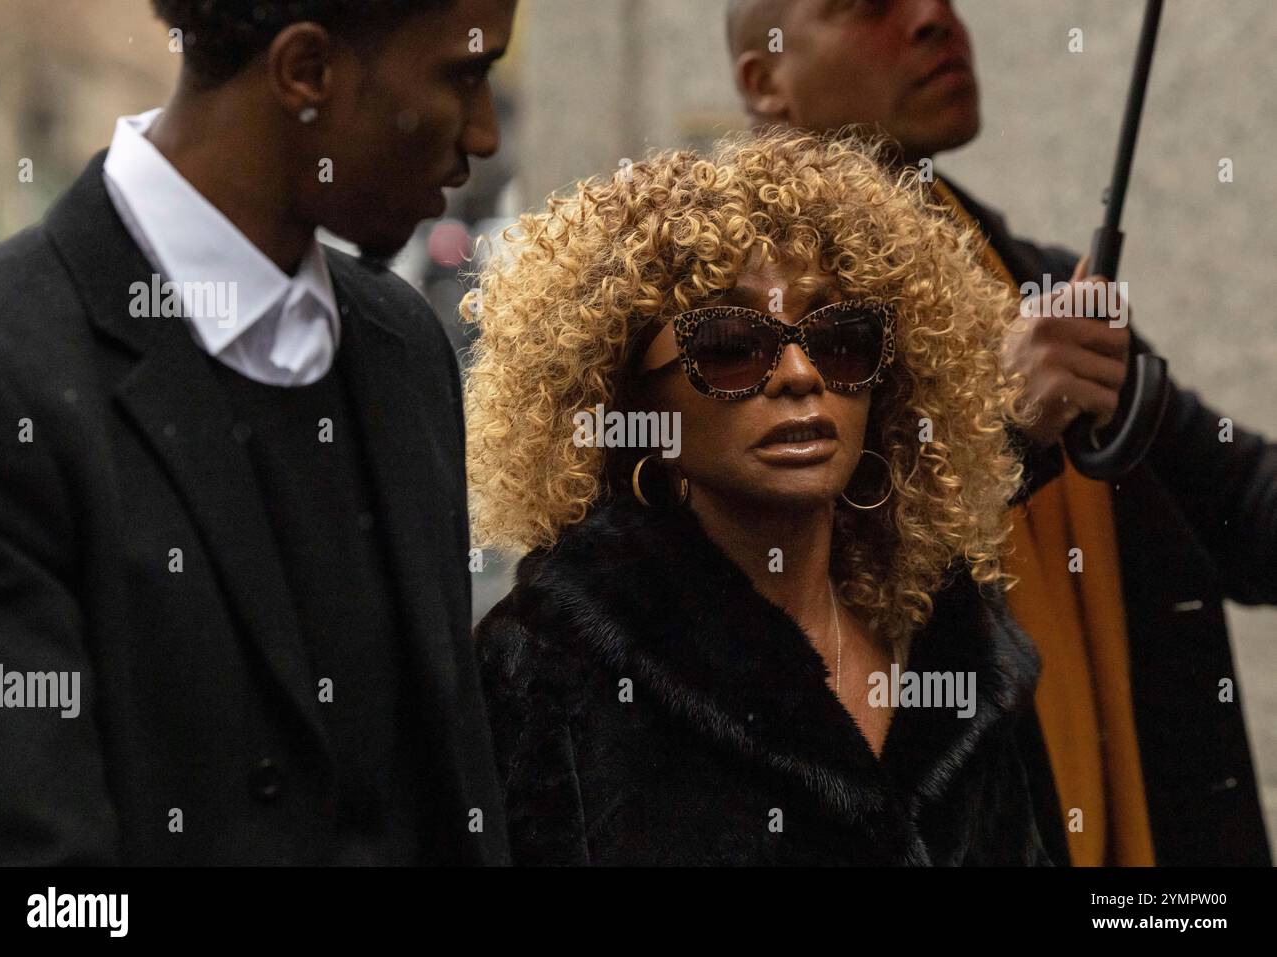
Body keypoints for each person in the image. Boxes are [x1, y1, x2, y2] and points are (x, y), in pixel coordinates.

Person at [725, 0, 1276, 865]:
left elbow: (1251, 516)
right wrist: (996, 436)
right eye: (871, 6)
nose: (933, 18)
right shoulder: (730, 334)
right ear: (767, 80)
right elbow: (771, 614)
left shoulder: (1038, 286)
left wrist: (1137, 407)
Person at [0, 0, 517, 865]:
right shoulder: (5, 367)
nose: (484, 134)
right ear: (306, 72)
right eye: (465, 74)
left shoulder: (401, 345)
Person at [467, 128, 1053, 865]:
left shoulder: (957, 633)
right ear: (630, 402)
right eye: (731, 346)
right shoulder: (551, 662)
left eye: (839, 337)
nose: (800, 374)